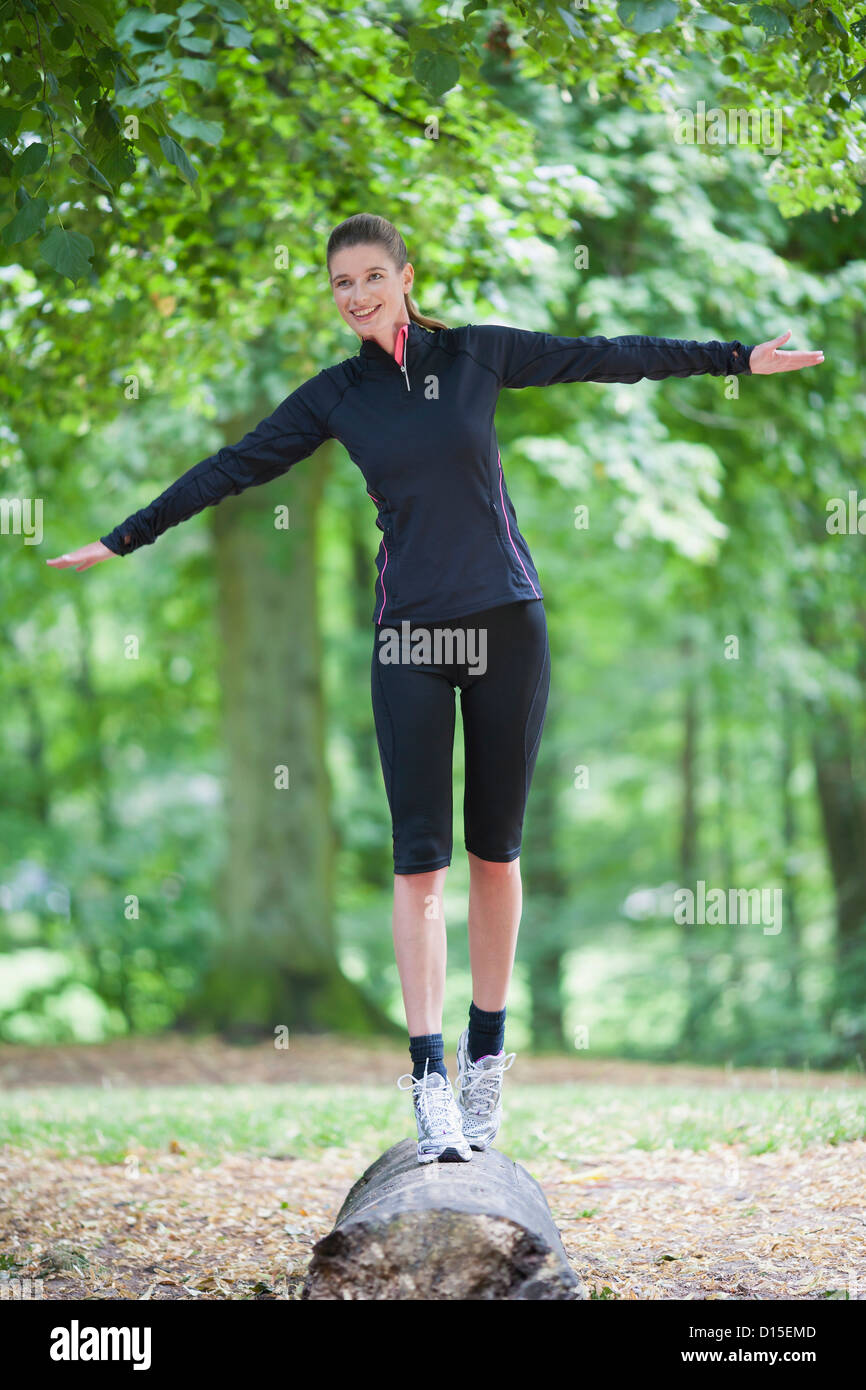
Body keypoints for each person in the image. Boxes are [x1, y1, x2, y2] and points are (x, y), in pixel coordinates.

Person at [48, 213, 825, 1164]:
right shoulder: (335, 398)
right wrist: (122, 537)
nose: (358, 294)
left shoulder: (478, 357)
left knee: (494, 853)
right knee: (420, 862)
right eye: (342, 284)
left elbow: (608, 355)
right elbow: (232, 467)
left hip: (507, 622)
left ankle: (486, 1059)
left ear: (406, 276)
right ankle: (428, 1083)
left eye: (373, 275)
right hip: (410, 635)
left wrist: (739, 359)